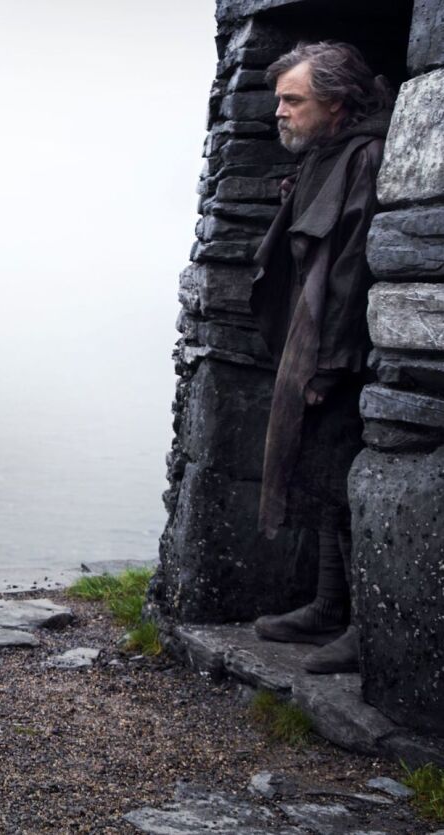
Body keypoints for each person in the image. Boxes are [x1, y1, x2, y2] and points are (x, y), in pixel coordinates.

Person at [248, 42, 392, 674]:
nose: (279, 111)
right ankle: (330, 606)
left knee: (344, 478)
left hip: (344, 353)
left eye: (293, 100)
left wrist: (329, 363)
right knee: (323, 477)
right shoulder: (321, 156)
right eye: (280, 99)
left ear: (335, 103)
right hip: (313, 345)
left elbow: (354, 266)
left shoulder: (364, 159)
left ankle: (370, 624)